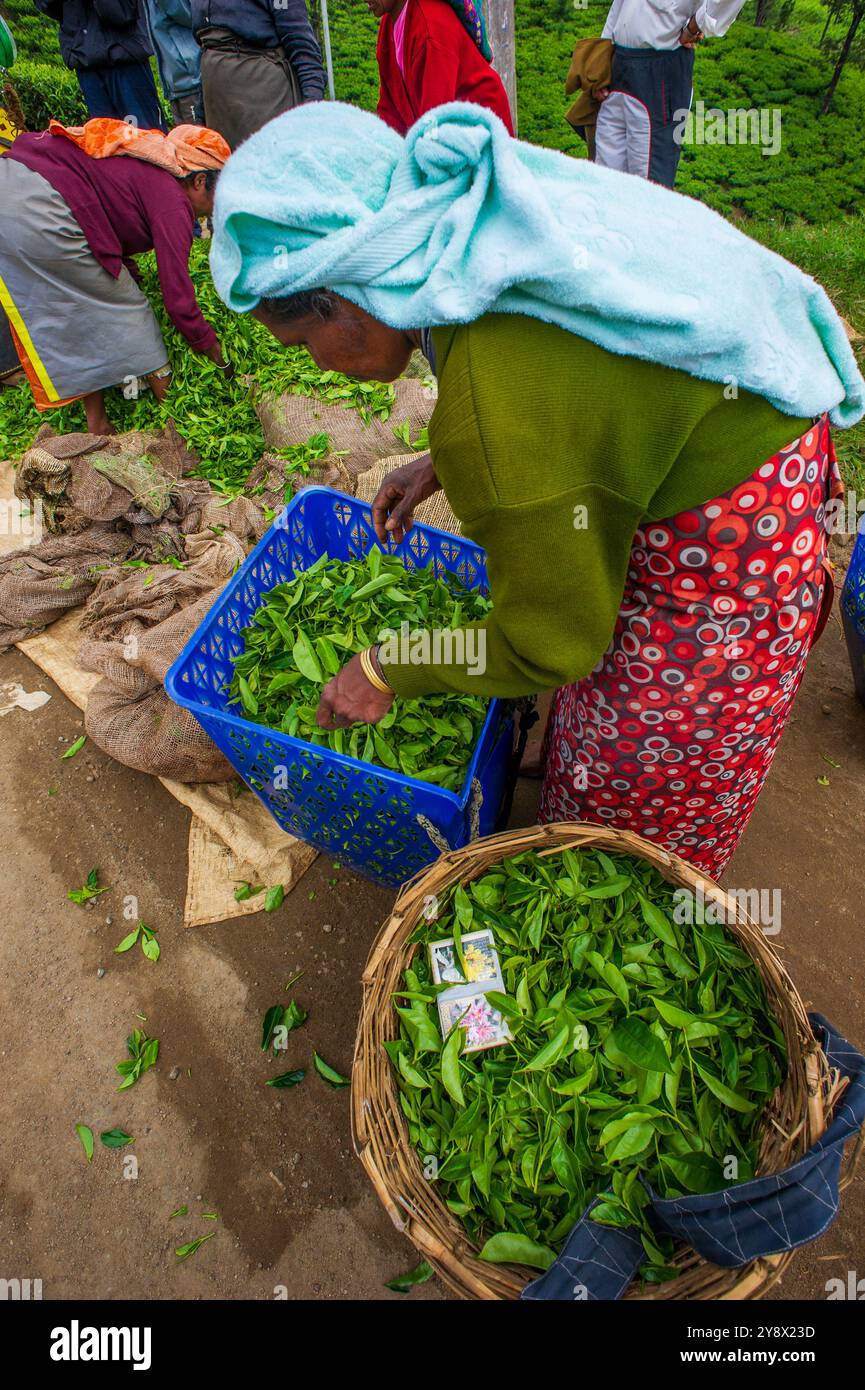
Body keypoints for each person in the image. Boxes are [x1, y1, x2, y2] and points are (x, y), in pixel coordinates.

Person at [209, 102, 863, 878]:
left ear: (346, 295)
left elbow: (548, 644)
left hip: (733, 505)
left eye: (302, 340)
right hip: (738, 401)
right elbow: (576, 393)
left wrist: (384, 667)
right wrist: (441, 463)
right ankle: (577, 766)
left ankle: (638, 877)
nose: (312, 363)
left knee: (642, 764)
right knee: (593, 667)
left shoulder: (493, 417)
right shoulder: (463, 228)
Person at [0, 118, 231, 434]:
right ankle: (182, 427)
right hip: (42, 208)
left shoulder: (147, 162)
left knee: (74, 311)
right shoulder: (174, 202)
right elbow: (177, 298)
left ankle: (97, 423)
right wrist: (212, 348)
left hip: (14, 189)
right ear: (199, 181)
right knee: (131, 312)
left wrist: (129, 276)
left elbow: (110, 227)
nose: (212, 211)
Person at [595, 0, 746, 187]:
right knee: (605, 175)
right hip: (618, 62)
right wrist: (600, 60)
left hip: (660, 68)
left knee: (648, 182)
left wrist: (696, 26)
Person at [189, 0, 325, 151]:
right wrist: (200, 113)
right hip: (218, 109)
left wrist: (312, 107)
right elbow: (204, 49)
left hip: (264, 101)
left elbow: (301, 44)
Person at [368, 0, 514, 136]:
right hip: (442, 135)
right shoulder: (389, 25)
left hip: (483, 137)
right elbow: (390, 113)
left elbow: (435, 125)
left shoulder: (431, 28)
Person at [34, 1, 166, 131]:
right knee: (105, 142)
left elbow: (123, 13)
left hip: (125, 56)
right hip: (85, 58)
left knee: (145, 136)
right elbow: (48, 7)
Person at [144, 0, 205, 126]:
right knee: (186, 141)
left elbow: (193, 15)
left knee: (200, 142)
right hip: (176, 82)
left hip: (190, 77)